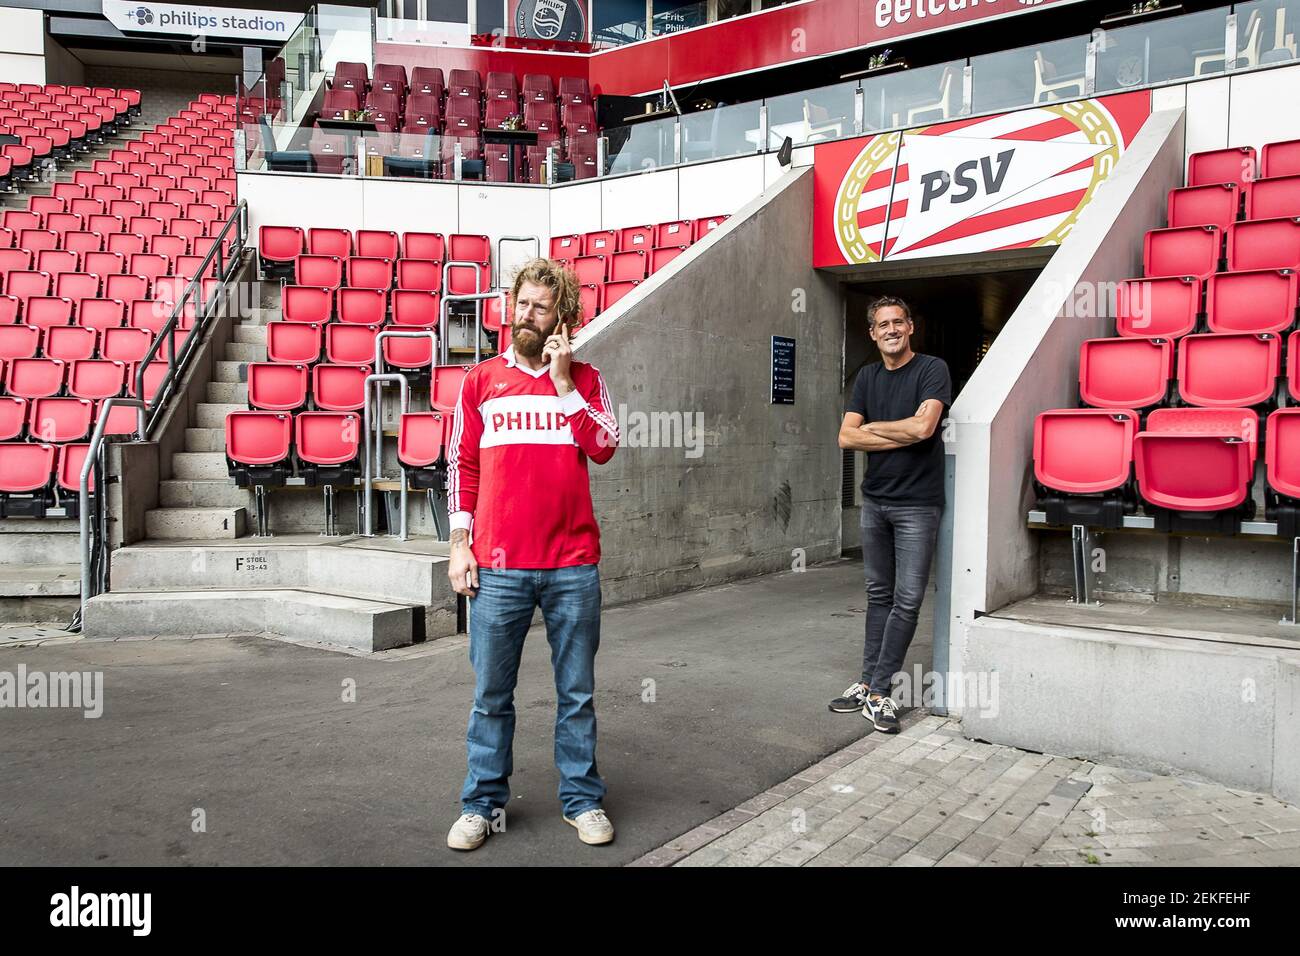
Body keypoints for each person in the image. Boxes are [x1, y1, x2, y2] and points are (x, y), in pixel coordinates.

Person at [444, 258, 620, 851]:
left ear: (562, 319)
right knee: (491, 695)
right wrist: (459, 545)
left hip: (572, 565)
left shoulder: (588, 380)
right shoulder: (479, 381)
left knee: (577, 694)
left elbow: (604, 447)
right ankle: (481, 804)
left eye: (541, 307)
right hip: (498, 567)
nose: (527, 315)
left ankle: (583, 800)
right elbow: (461, 467)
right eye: (521, 303)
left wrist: (565, 384)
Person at [830, 296, 952, 733]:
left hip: (918, 504)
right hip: (876, 501)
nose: (891, 329)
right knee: (879, 596)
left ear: (910, 326)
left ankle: (881, 691)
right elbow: (846, 438)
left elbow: (925, 429)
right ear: (872, 333)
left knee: (907, 600)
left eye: (898, 322)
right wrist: (900, 429)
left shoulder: (932, 369)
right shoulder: (866, 376)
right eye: (883, 324)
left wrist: (874, 428)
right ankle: (866, 683)